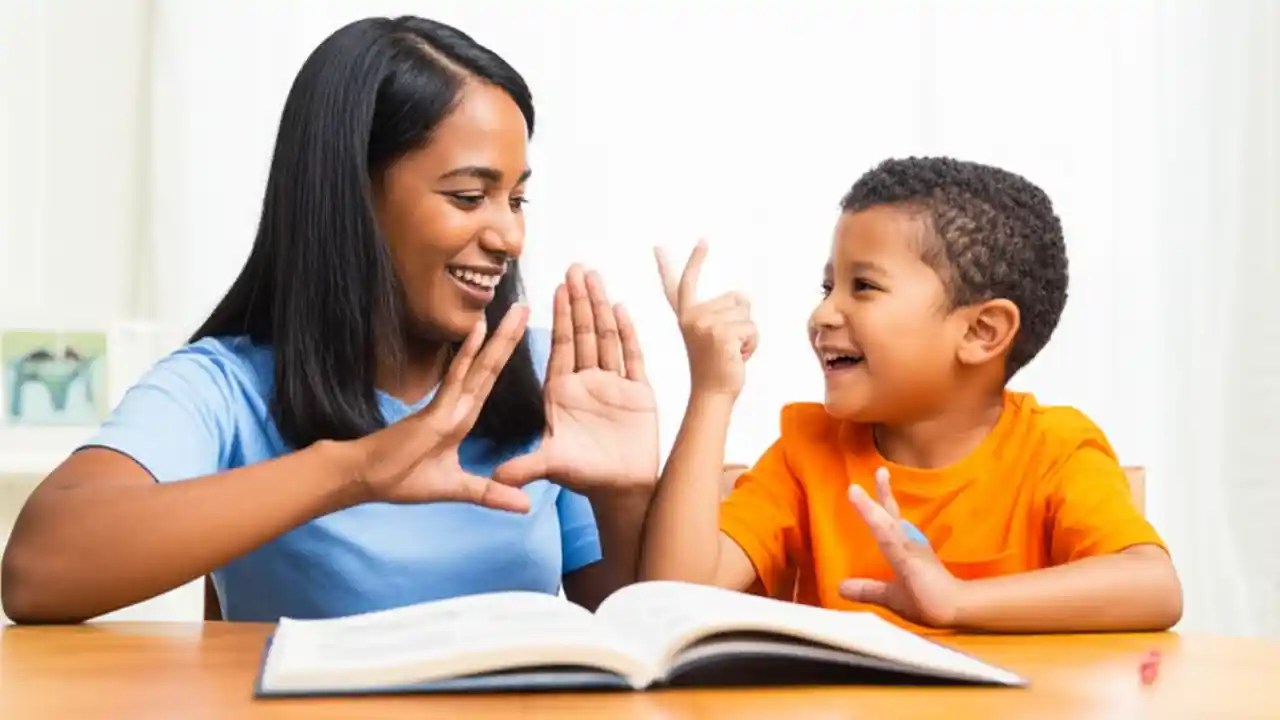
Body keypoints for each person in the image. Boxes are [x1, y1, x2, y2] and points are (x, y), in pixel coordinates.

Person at [0, 16, 659, 624]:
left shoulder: (548, 377)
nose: (509, 235)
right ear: (351, 195)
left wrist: (624, 501)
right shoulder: (227, 387)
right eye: (468, 196)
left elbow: (628, 640)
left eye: (515, 198)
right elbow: (38, 572)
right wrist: (355, 472)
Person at [640, 157, 1184, 633]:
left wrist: (957, 601)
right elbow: (675, 598)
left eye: (865, 287)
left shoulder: (1054, 451)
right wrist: (713, 391)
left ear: (981, 332)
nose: (823, 314)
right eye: (829, 287)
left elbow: (1153, 586)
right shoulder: (807, 454)